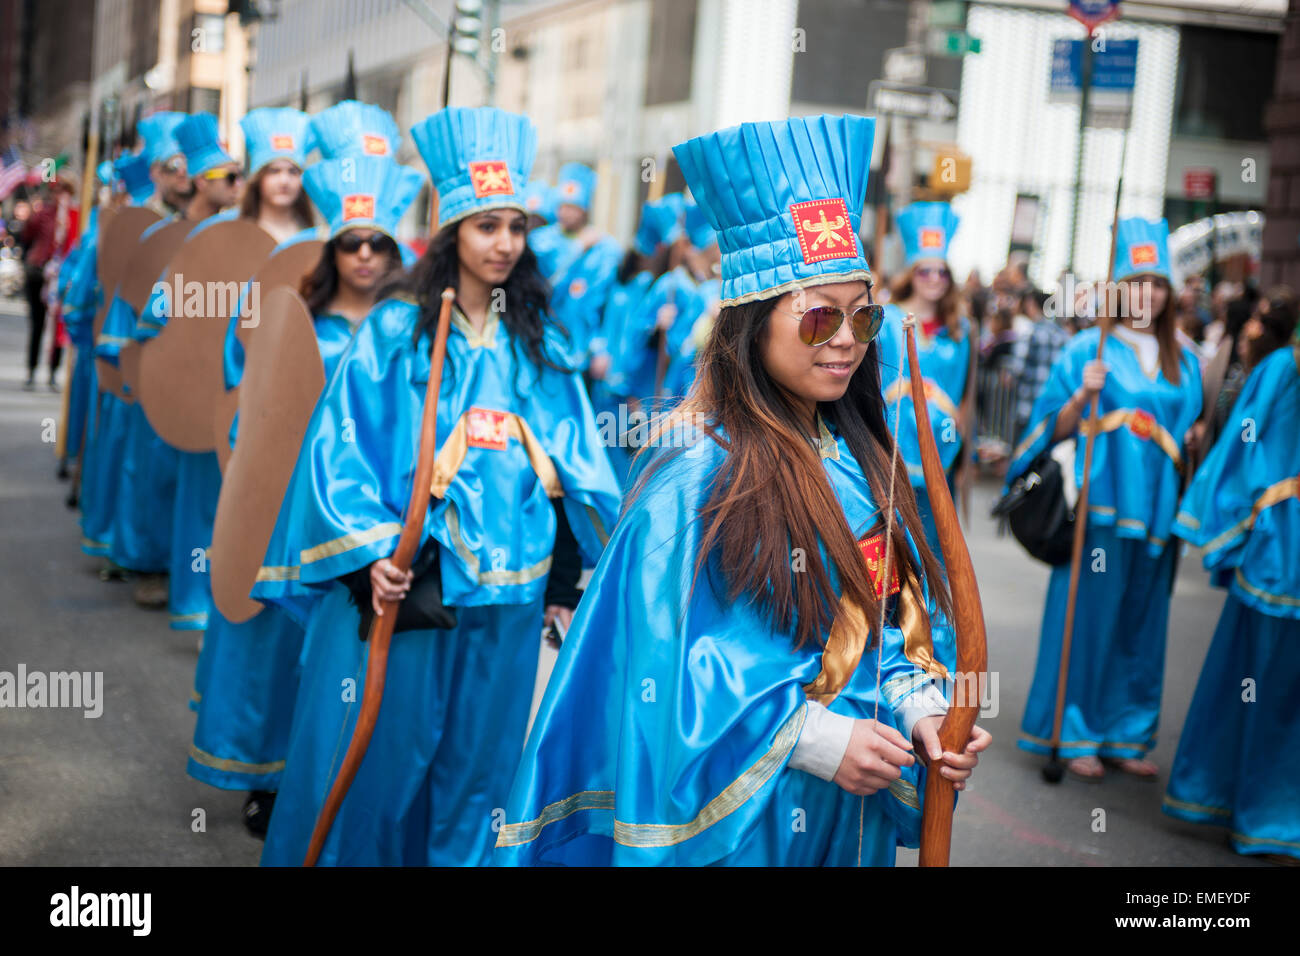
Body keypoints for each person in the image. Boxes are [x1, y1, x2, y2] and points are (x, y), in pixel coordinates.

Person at [497, 114, 989, 867]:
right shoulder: (695, 472)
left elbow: (880, 626)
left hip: (845, 815)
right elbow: (659, 673)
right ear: (752, 324)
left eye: (864, 315)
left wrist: (923, 712)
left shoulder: (860, 459)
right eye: (819, 316)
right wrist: (817, 740)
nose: (848, 339)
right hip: (742, 820)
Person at [252, 106, 621, 866]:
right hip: (419, 590)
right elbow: (338, 452)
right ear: (454, 233)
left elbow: (581, 465)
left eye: (516, 226)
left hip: (510, 604)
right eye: (487, 226)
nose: (505, 243)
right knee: (386, 767)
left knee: (478, 781)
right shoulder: (393, 335)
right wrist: (370, 556)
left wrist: (563, 568)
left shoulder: (542, 347)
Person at [191, 149, 422, 839]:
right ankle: (263, 775)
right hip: (287, 506)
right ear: (331, 249)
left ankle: (322, 778)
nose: (364, 255)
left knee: (336, 659)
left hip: (360, 518)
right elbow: (252, 407)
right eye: (350, 242)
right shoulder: (295, 322)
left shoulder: (407, 332)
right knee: (268, 640)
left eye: (378, 243)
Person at [1008, 218, 1202, 781]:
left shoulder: (1185, 361)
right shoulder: (1084, 349)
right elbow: (1046, 429)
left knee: (1143, 621)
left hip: (1157, 509)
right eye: (1137, 281)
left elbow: (1191, 428)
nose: (1148, 293)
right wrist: (1080, 399)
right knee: (1089, 618)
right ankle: (1074, 732)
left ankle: (1127, 732)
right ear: (1119, 287)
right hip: (1098, 504)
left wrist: (1192, 437)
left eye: (1158, 283)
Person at [1166, 317, 1299, 864]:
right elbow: (1245, 442)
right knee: (1265, 686)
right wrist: (1250, 519)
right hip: (1284, 551)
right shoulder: (1285, 366)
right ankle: (1260, 814)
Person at [875, 202, 973, 583]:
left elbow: (963, 395)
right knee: (888, 548)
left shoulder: (960, 330)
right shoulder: (886, 319)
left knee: (932, 554)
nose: (933, 278)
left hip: (939, 452)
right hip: (892, 447)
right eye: (925, 270)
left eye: (941, 271)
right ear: (912, 273)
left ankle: (933, 633)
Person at [236, 107, 318, 244]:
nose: (284, 181)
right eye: (274, 171)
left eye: (293, 172)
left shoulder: (315, 237)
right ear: (258, 178)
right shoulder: (235, 233)